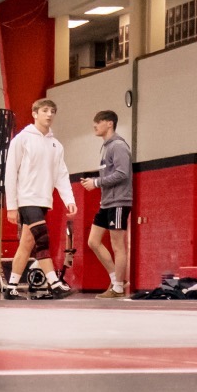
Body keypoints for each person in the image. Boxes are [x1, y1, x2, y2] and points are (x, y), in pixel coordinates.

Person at [3, 98, 76, 299]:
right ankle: (55, 284)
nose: (49, 114)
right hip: (26, 199)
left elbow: (61, 174)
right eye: (45, 110)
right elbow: (11, 173)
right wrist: (11, 206)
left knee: (27, 243)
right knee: (42, 239)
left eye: (52, 111)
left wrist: (69, 199)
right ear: (35, 114)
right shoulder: (21, 139)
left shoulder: (56, 145)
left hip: (44, 200)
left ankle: (11, 288)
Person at [87, 110, 133, 297]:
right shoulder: (106, 147)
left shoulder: (118, 146)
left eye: (98, 122)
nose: (95, 125)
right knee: (93, 241)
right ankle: (116, 279)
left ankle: (118, 288)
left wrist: (96, 182)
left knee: (117, 245)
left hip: (119, 201)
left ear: (109, 123)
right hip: (107, 202)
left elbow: (122, 173)